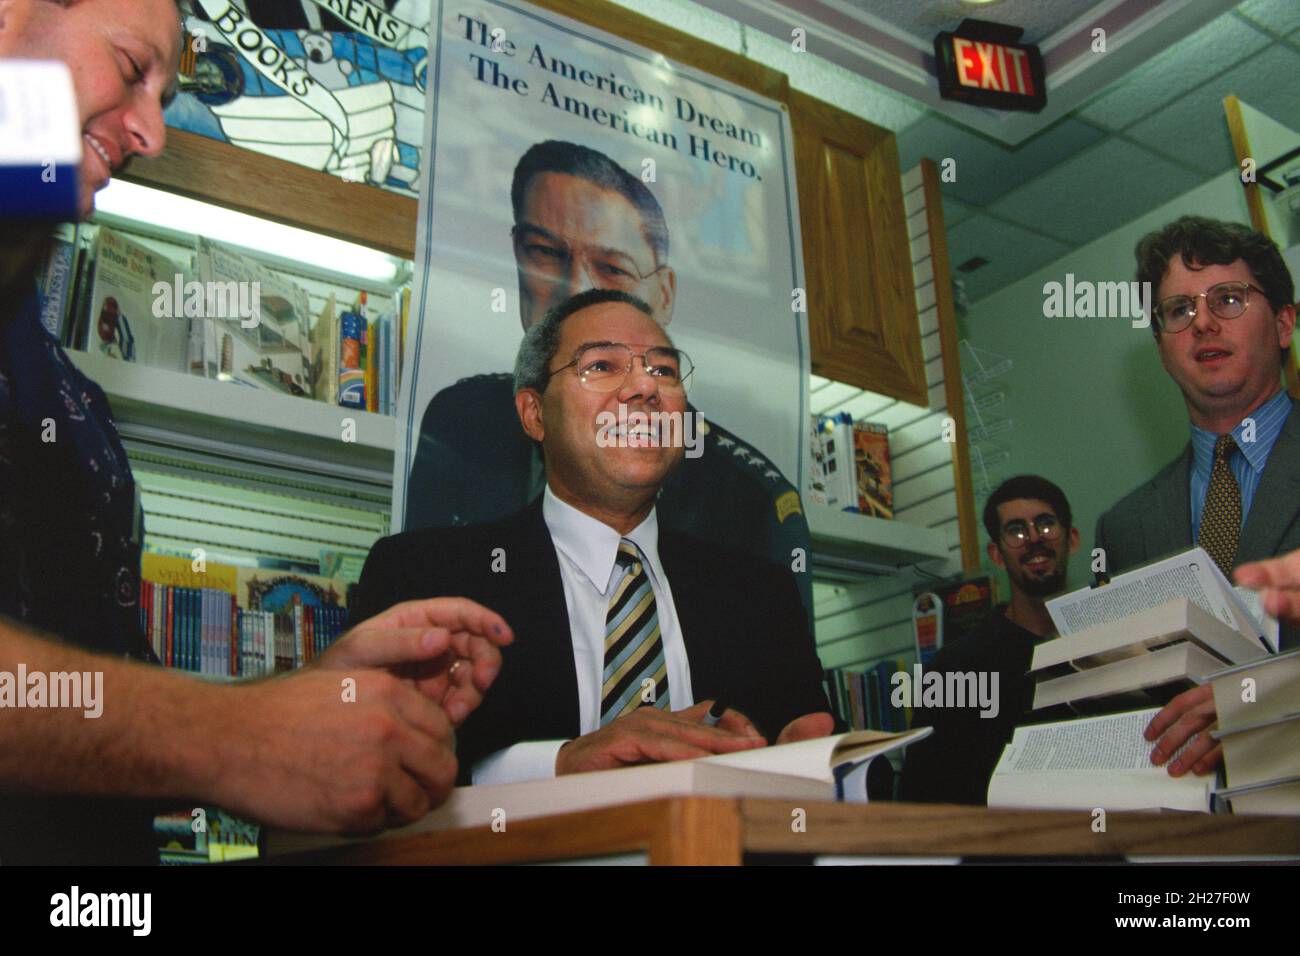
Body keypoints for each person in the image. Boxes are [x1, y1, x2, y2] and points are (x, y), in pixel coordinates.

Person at [0, 0, 511, 864]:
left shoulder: (64, 394)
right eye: (132, 68)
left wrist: (307, 701)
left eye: (168, 92)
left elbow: (101, 721)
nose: (154, 132)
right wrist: (236, 736)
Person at [354, 289, 836, 784]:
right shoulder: (421, 578)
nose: (645, 388)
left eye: (664, 371)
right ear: (534, 414)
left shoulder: (761, 595)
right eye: (603, 365)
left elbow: (834, 761)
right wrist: (560, 766)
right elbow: (365, 770)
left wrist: (812, 767)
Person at [403, 140, 814, 616]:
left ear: (664, 293)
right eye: (544, 252)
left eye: (612, 267)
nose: (575, 288)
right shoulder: (461, 422)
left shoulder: (747, 500)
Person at [1095, 215, 1298, 779]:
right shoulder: (1124, 529)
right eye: (1179, 311)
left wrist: (1265, 701)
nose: (1203, 322)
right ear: (1161, 349)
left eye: (1228, 299)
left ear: (1284, 323)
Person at [900, 476, 1078, 805]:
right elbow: (922, 800)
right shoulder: (954, 670)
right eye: (1017, 531)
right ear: (996, 554)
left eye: (1046, 524)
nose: (1035, 539)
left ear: (1072, 538)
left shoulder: (1109, 646)